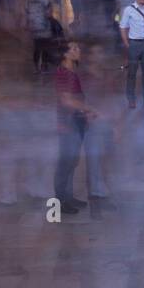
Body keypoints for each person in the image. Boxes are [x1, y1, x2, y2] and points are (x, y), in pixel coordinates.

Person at [54, 42, 97, 214]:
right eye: (74, 49)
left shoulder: (71, 72)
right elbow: (66, 101)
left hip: (76, 121)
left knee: (72, 161)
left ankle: (68, 197)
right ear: (65, 54)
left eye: (78, 47)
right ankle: (59, 203)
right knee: (65, 163)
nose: (78, 51)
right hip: (68, 122)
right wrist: (88, 109)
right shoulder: (63, 73)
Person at [25, 0, 56, 73]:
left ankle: (36, 67)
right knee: (46, 47)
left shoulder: (29, 1)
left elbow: (27, 14)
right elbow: (49, 14)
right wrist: (51, 0)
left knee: (37, 48)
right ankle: (44, 66)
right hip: (45, 28)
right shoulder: (46, 0)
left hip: (34, 29)